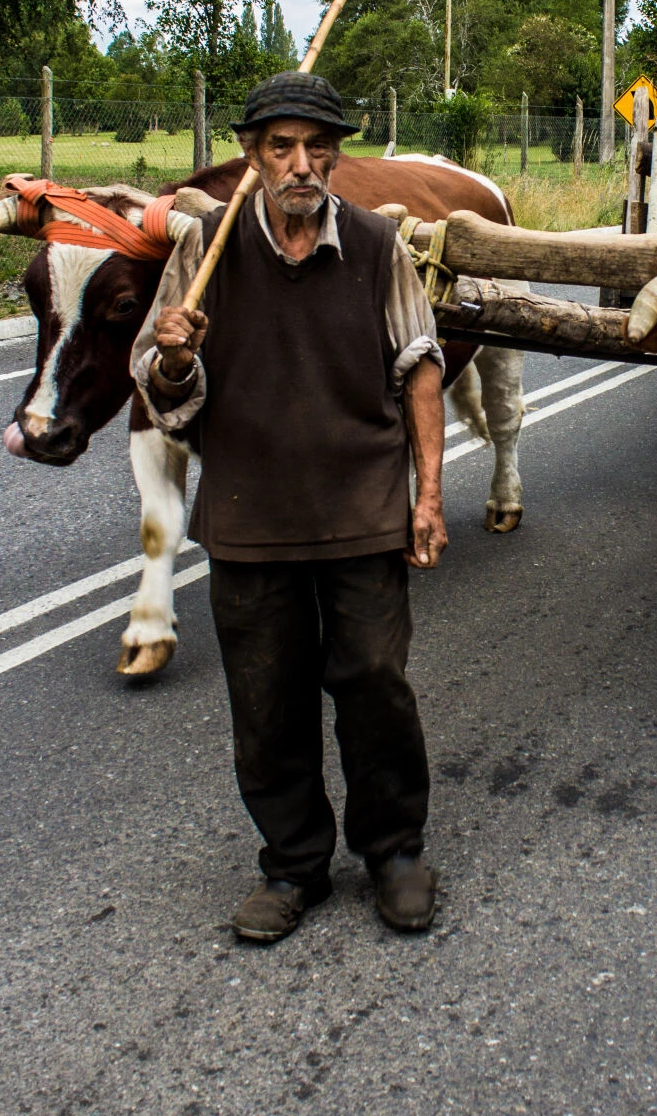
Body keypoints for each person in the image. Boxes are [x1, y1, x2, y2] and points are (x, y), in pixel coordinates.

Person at [131, 71, 447, 942]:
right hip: (249, 514)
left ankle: (395, 853)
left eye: (317, 148)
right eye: (281, 147)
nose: (300, 165)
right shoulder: (203, 253)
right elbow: (166, 395)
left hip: (365, 505)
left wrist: (429, 494)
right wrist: (173, 357)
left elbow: (420, 365)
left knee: (376, 684)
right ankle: (293, 864)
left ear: (336, 158)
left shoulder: (380, 246)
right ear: (251, 157)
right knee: (267, 698)